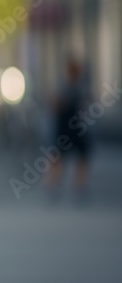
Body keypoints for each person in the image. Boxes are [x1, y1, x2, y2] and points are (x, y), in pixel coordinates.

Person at [46, 58, 90, 201]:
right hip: (66, 126)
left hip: (72, 127)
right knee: (58, 157)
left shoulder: (78, 87)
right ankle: (56, 185)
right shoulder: (66, 87)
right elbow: (55, 105)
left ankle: (76, 186)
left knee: (78, 156)